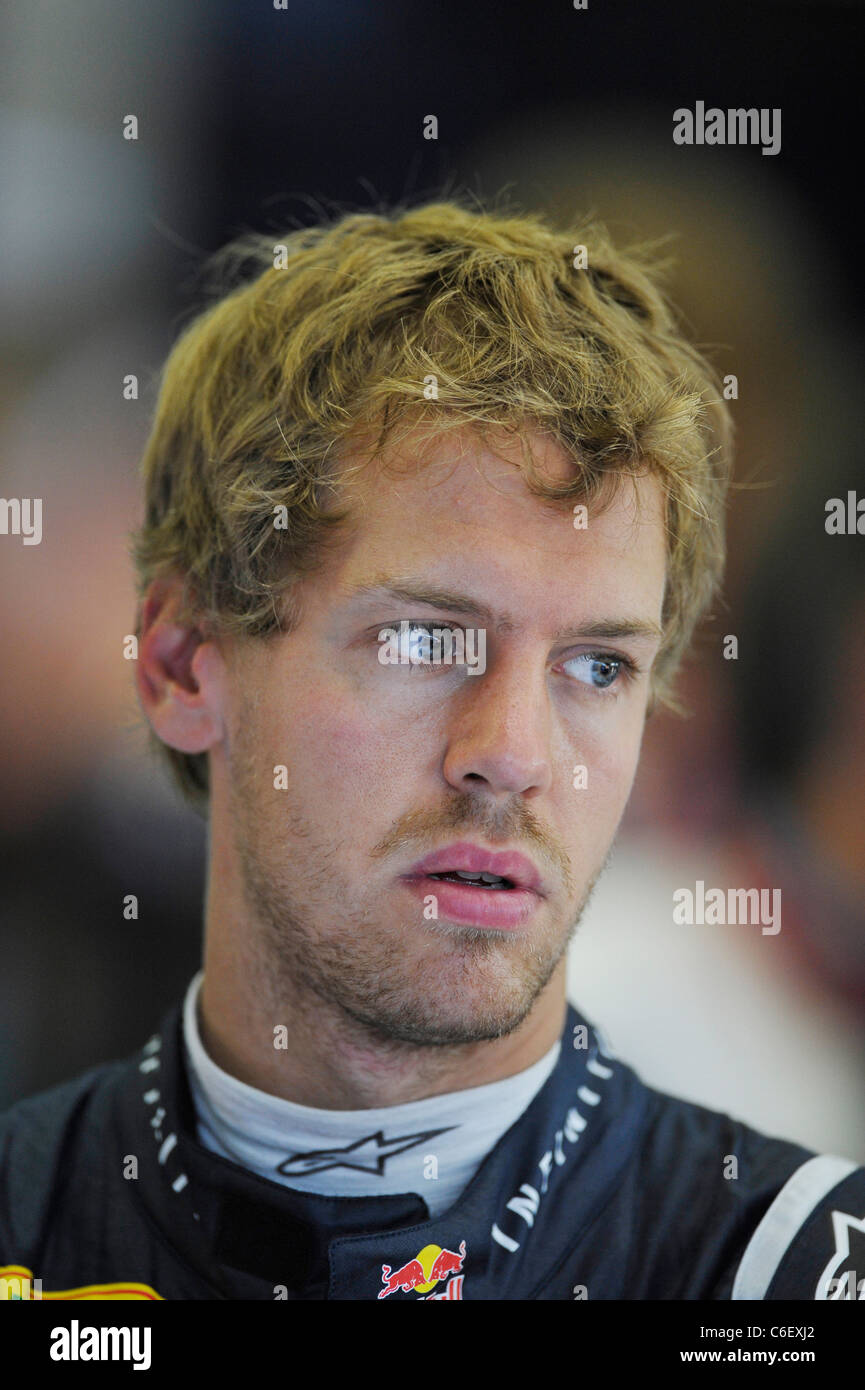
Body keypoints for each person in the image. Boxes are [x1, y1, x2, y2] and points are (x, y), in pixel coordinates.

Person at [1, 201, 862, 1302]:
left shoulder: (778, 1277)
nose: (509, 754)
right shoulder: (27, 1225)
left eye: (597, 666)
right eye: (422, 639)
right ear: (180, 661)